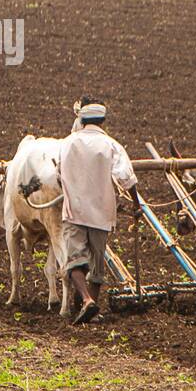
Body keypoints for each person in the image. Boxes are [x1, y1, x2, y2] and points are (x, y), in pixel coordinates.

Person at [58, 99, 141, 325]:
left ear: (81, 120)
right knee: (97, 263)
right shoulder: (111, 145)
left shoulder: (67, 143)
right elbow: (126, 177)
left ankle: (86, 301)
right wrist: (136, 203)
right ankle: (90, 303)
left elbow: (58, 171)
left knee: (75, 259)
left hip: (74, 210)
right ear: (102, 121)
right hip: (102, 212)